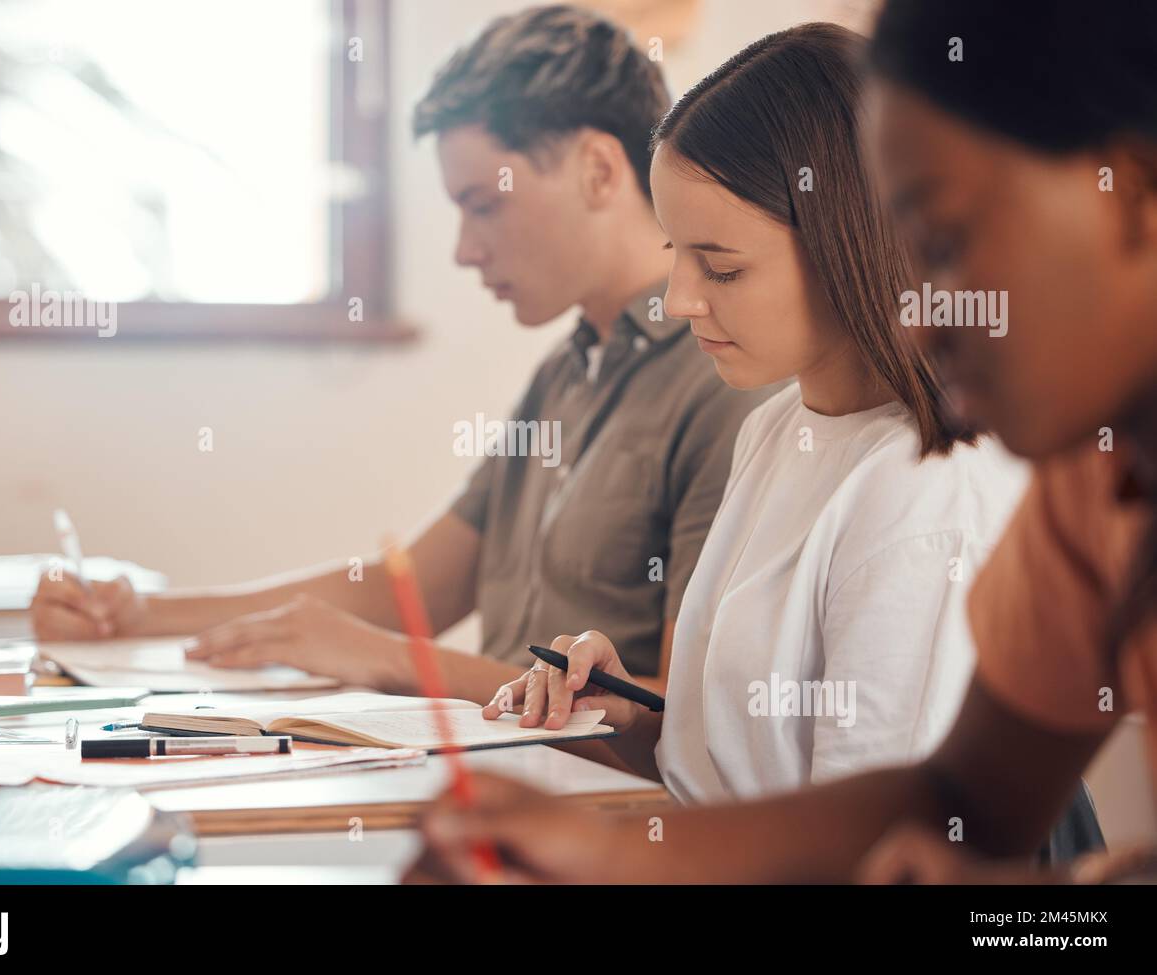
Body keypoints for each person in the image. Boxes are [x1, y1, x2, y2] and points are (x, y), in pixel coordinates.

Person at [407, 0, 1156, 885]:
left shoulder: (931, 487)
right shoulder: (1087, 485)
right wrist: (606, 845)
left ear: (1133, 190)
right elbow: (958, 796)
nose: (918, 312)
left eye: (947, 244)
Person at [28, 5, 775, 703]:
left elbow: (684, 717)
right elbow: (415, 590)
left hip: (595, 813)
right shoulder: (569, 369)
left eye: (484, 203)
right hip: (506, 777)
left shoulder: (723, 382)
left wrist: (392, 660)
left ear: (599, 171)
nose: (464, 249)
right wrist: (137, 615)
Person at [482, 22, 1028, 807]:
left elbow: (863, 843)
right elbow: (722, 777)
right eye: (675, 252)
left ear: (849, 243)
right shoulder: (775, 428)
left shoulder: (922, 491)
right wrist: (625, 713)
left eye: (723, 267)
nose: (678, 301)